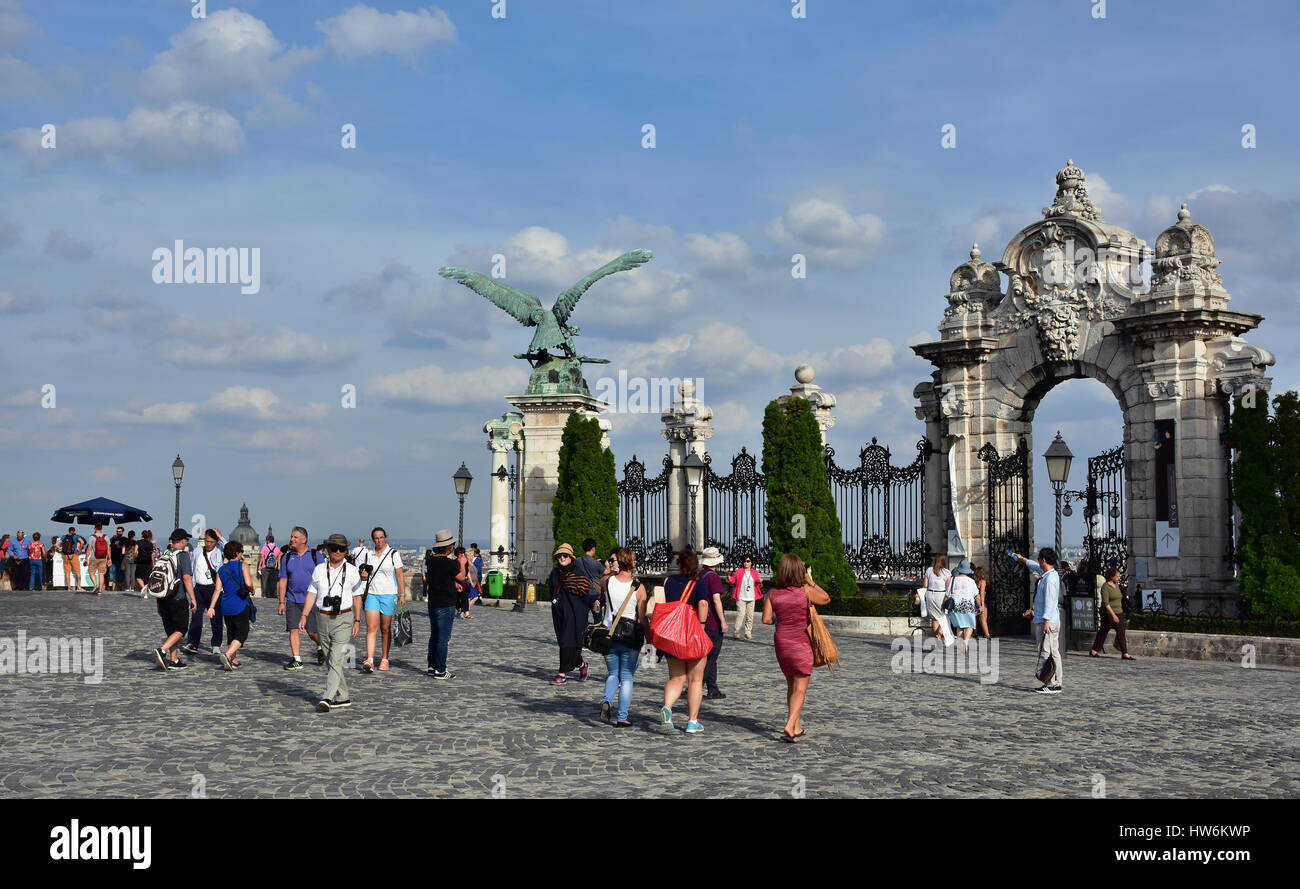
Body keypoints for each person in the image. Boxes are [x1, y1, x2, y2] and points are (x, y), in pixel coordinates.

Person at [763, 553, 831, 742]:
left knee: (791, 685)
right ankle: (789, 724)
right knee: (800, 688)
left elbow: (767, 620)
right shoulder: (805, 591)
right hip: (801, 642)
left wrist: (783, 617)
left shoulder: (773, 593)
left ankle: (797, 726)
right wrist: (810, 581)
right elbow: (826, 598)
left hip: (782, 642)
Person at [301, 534, 364, 711]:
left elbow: (357, 597)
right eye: (334, 548)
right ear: (327, 548)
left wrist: (358, 620)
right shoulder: (319, 569)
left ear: (346, 551)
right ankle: (343, 697)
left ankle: (327, 697)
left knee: (336, 658)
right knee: (331, 659)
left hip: (344, 618)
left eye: (341, 549)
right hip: (322, 617)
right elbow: (311, 593)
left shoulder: (352, 571)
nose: (337, 552)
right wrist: (304, 614)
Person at [658, 549, 712, 734]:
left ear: (679, 564)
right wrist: (702, 626)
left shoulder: (669, 582)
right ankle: (692, 721)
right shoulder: (699, 582)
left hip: (673, 635)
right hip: (692, 634)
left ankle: (667, 707)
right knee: (695, 680)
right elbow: (703, 604)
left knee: (676, 678)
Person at [597, 547, 646, 727]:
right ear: (630, 563)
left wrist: (610, 567)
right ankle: (622, 717)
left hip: (608, 634)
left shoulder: (607, 582)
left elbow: (603, 577)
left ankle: (607, 700)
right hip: (630, 636)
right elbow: (641, 617)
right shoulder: (638, 588)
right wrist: (649, 639)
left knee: (612, 674)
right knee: (626, 676)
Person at [1011, 547, 1063, 694]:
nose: (1038, 562)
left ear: (1044, 560)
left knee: (1047, 651)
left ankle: (1052, 683)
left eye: (1039, 559)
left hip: (1047, 621)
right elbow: (1035, 566)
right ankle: (1054, 681)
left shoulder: (1050, 579)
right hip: (1047, 619)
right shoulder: (1047, 574)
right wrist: (1023, 559)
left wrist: (1046, 620)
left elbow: (1050, 601)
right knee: (1053, 651)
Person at [356, 526, 406, 672]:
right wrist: (363, 576)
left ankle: (384, 658)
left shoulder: (393, 554)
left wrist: (402, 595)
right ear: (373, 539)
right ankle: (370, 659)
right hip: (372, 593)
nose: (379, 540)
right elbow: (363, 574)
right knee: (371, 627)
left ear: (385, 538)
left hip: (388, 594)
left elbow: (400, 575)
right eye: (376, 538)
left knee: (385, 628)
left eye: (381, 537)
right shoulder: (369, 555)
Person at [277, 526, 326, 670]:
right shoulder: (286, 557)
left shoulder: (315, 556)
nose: (291, 539)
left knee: (312, 631)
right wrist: (281, 602)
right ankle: (297, 659)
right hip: (292, 599)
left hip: (312, 601)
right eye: (291, 537)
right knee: (293, 629)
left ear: (304, 540)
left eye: (295, 537)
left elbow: (323, 579)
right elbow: (283, 580)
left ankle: (321, 646)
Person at [548, 543, 598, 685]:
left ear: (571, 557)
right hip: (560, 612)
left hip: (577, 612)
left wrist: (594, 605)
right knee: (567, 642)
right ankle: (582, 665)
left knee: (568, 642)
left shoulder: (579, 572)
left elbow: (586, 592)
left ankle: (561, 674)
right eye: (559, 556)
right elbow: (552, 590)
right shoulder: (555, 573)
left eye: (565, 555)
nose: (562, 558)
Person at [152, 529, 197, 671]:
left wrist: (158, 602)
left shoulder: (164, 554)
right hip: (178, 597)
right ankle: (162, 650)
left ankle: (174, 660)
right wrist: (193, 598)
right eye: (186, 540)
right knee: (181, 629)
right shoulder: (182, 556)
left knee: (171, 631)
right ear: (182, 540)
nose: (187, 542)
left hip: (164, 598)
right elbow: (187, 578)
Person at [423, 529, 465, 679]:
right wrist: (462, 563)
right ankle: (440, 670)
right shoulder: (449, 563)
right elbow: (462, 577)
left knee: (434, 636)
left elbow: (440, 578)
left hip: (433, 602)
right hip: (446, 603)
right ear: (449, 547)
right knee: (443, 638)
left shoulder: (430, 561)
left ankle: (432, 666)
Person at [209, 541, 254, 671]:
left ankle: (234, 661)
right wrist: (251, 590)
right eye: (241, 552)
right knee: (242, 633)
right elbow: (248, 583)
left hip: (226, 605)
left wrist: (212, 606)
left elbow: (217, 590)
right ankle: (228, 655)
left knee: (231, 633)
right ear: (237, 553)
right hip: (240, 603)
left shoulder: (222, 569)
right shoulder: (243, 565)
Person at [183, 529, 226, 656]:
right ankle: (193, 643)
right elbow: (192, 569)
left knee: (216, 618)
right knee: (196, 617)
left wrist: (221, 537)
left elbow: (229, 548)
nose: (208, 544)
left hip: (214, 589)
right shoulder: (197, 551)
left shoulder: (219, 551)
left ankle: (216, 644)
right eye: (207, 541)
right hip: (199, 589)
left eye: (212, 542)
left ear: (216, 542)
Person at [697, 546, 729, 699]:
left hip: (701, 619)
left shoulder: (700, 575)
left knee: (710, 656)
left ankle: (712, 688)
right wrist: (723, 621)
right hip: (712, 622)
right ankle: (696, 684)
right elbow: (716, 600)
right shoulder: (713, 577)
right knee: (712, 655)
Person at [1092, 566, 1134, 660]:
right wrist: (1113, 615)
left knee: (1121, 632)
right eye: (1117, 576)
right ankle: (1094, 650)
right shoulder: (1105, 587)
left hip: (1119, 612)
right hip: (1108, 613)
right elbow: (1106, 603)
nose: (1119, 578)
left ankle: (1125, 653)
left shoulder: (1117, 585)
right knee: (1104, 631)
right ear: (1111, 577)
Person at [727, 556, 764, 641]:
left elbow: (758, 585)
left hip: (751, 597)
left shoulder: (755, 572)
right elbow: (732, 581)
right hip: (741, 596)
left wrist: (760, 582)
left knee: (750, 616)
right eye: (744, 561)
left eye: (748, 561)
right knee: (741, 614)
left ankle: (748, 632)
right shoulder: (738, 571)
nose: (746, 563)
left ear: (751, 563)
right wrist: (729, 576)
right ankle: (736, 632)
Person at [947, 560, 980, 649]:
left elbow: (947, 594)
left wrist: (943, 605)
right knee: (969, 625)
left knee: (959, 626)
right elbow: (977, 595)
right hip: (968, 605)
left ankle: (960, 645)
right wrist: (980, 606)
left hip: (956, 606)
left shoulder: (953, 579)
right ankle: (966, 641)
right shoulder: (971, 581)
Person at [923, 554, 951, 638]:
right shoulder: (946, 572)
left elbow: (925, 585)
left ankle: (937, 638)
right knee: (944, 616)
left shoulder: (929, 570)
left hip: (930, 594)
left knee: (935, 618)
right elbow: (948, 588)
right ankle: (939, 634)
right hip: (941, 595)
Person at [455, 546, 479, 618]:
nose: (473, 556)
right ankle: (465, 612)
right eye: (471, 555)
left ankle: (464, 612)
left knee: (469, 598)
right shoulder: (464, 562)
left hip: (471, 582)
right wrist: (471, 581)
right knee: (468, 598)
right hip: (467, 582)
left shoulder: (470, 562)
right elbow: (467, 573)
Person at [87, 524, 109, 595]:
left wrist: (86, 558)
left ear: (95, 528)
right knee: (101, 574)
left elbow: (89, 549)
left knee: (91, 573)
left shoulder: (92, 537)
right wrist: (110, 558)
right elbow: (109, 549)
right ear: (101, 528)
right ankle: (100, 591)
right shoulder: (106, 537)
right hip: (103, 558)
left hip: (94, 558)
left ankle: (96, 585)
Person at [135, 530, 155, 597]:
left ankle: (143, 587)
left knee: (138, 577)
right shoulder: (150, 544)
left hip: (140, 562)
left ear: (142, 535)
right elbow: (152, 554)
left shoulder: (138, 542)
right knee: (147, 579)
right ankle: (145, 594)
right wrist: (153, 563)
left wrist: (135, 557)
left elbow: (135, 552)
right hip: (148, 562)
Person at [973, 565, 991, 639]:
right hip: (980, 601)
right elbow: (982, 593)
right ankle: (987, 635)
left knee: (974, 619)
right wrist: (982, 605)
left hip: (973, 601)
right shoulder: (982, 581)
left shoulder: (973, 581)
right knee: (983, 619)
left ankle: (975, 633)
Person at [259, 534, 279, 600]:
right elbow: (278, 558)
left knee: (264, 581)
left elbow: (262, 557)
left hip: (265, 567)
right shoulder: (277, 548)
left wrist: (260, 566)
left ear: (268, 540)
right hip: (274, 567)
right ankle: (272, 594)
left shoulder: (264, 547)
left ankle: (264, 595)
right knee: (272, 581)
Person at [109, 527, 127, 591]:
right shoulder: (113, 538)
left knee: (120, 573)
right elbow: (109, 545)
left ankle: (120, 586)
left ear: (122, 532)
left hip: (120, 559)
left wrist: (119, 547)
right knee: (111, 572)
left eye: (119, 531)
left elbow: (125, 548)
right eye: (117, 531)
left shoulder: (124, 539)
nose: (118, 532)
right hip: (113, 558)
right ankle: (110, 587)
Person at [122, 531, 138, 595]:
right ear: (134, 535)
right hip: (134, 560)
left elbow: (123, 552)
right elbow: (136, 552)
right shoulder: (136, 542)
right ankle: (133, 587)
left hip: (127, 559)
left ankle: (127, 587)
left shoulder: (125, 542)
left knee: (127, 574)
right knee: (133, 574)